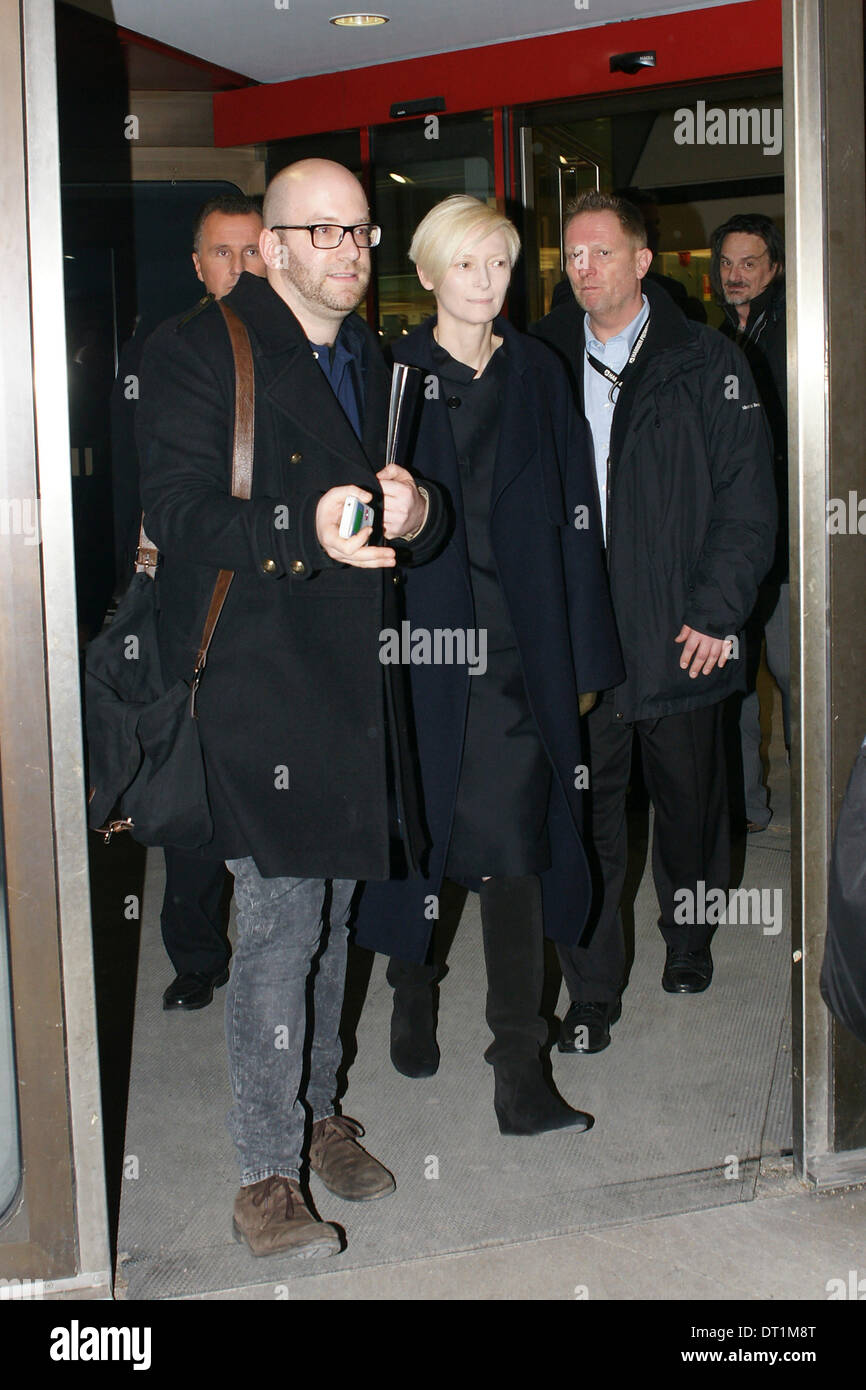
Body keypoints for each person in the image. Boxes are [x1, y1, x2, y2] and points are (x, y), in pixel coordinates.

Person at [136, 159, 447, 1257]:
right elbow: (175, 510)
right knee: (276, 927)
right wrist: (291, 526)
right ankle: (265, 1171)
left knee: (325, 922)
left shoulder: (369, 353)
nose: (352, 251)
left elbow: (402, 508)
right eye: (325, 232)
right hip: (259, 684)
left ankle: (315, 1113)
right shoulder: (197, 348)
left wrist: (419, 509)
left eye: (361, 231)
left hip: (351, 681)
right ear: (268, 245)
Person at [352, 195, 624, 1135]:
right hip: (422, 649)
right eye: (466, 265)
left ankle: (520, 1068)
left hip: (517, 648)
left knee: (516, 850)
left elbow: (574, 511)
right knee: (422, 840)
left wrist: (584, 654)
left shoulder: (540, 371)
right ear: (425, 275)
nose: (485, 283)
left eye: (500, 265)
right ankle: (413, 985)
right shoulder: (391, 374)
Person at [533, 190, 776, 1054]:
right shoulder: (540, 360)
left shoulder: (705, 360)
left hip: (683, 634)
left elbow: (749, 502)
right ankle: (592, 990)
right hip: (585, 640)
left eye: (601, 252)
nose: (583, 269)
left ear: (643, 262)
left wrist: (718, 611)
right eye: (572, 255)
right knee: (588, 819)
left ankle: (690, 936)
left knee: (691, 808)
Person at [111, 193, 267, 1013]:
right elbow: (141, 473)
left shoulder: (299, 346)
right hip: (188, 596)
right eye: (223, 253)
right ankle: (197, 953)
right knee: (188, 773)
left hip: (275, 592)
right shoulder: (164, 349)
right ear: (198, 264)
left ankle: (286, 945)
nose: (239, 267)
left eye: (252, 250)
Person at [710, 213, 789, 833]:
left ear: (776, 268)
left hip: (787, 548)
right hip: (734, 547)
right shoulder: (713, 339)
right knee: (734, 684)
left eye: (750, 264)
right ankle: (746, 810)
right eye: (728, 264)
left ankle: (824, 813)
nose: (736, 276)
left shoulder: (793, 335)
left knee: (795, 679)